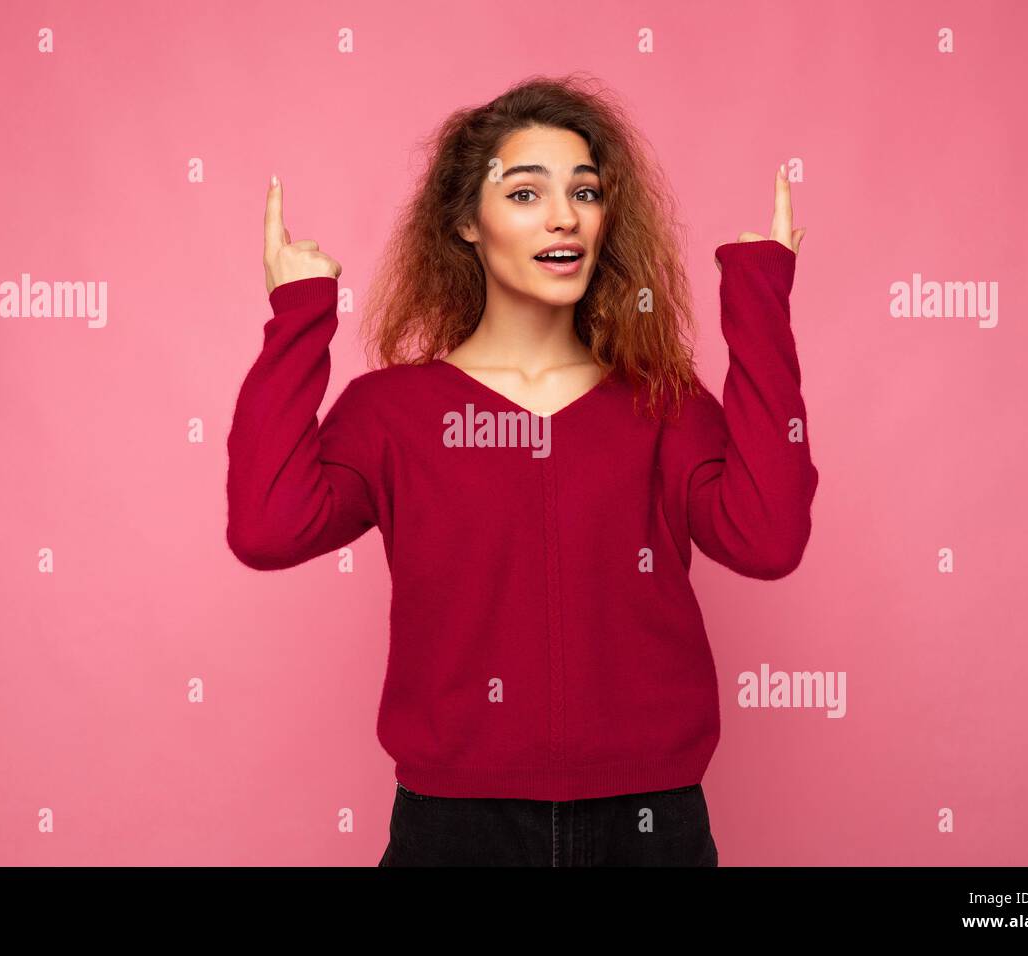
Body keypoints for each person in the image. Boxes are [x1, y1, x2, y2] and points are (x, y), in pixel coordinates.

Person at [227, 73, 818, 866]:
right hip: (454, 829)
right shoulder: (389, 412)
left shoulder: (665, 404)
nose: (565, 214)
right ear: (467, 223)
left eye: (586, 190)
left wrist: (758, 299)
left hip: (650, 825)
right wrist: (298, 315)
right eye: (526, 193)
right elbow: (267, 528)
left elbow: (768, 540)